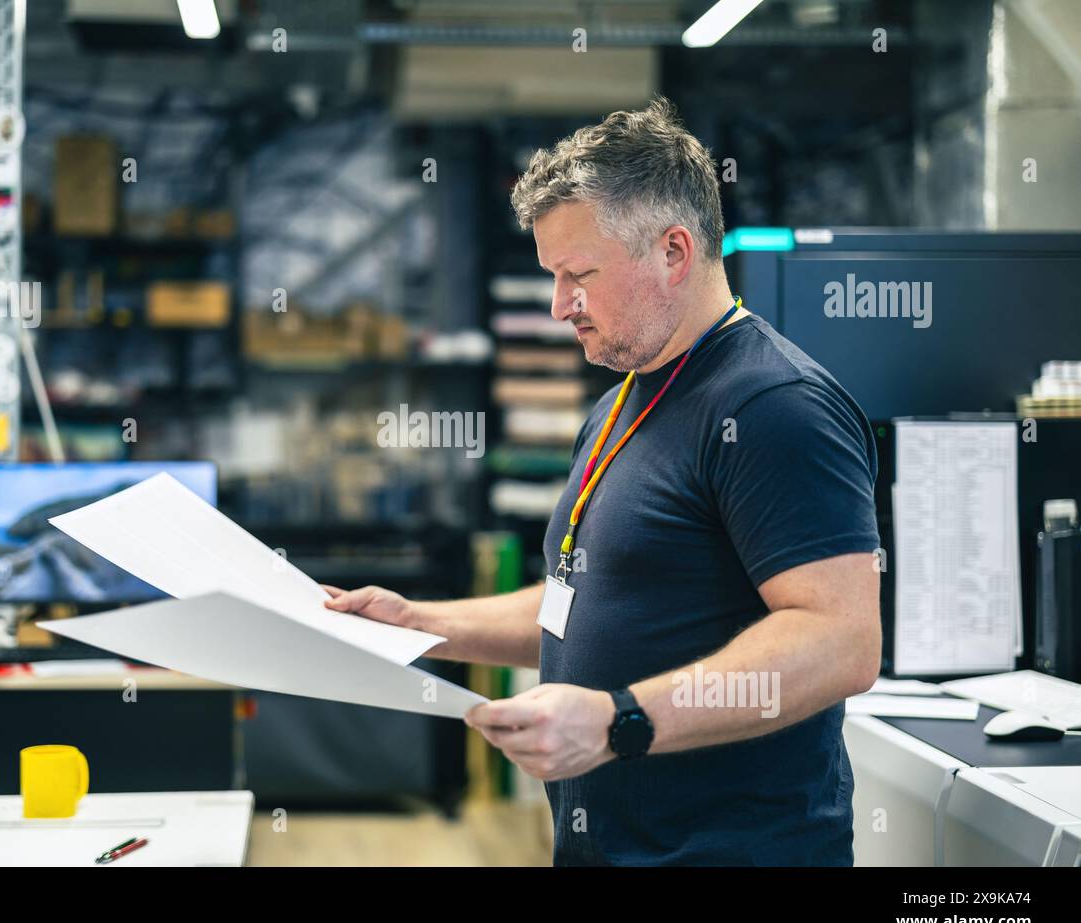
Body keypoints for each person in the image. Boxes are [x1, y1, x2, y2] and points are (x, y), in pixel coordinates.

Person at [324, 96, 882, 866]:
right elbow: (586, 600)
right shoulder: (621, 402)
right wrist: (421, 623)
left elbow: (841, 640)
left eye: (579, 275)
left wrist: (620, 721)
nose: (561, 306)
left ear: (674, 251)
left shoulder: (772, 406)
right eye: (553, 277)